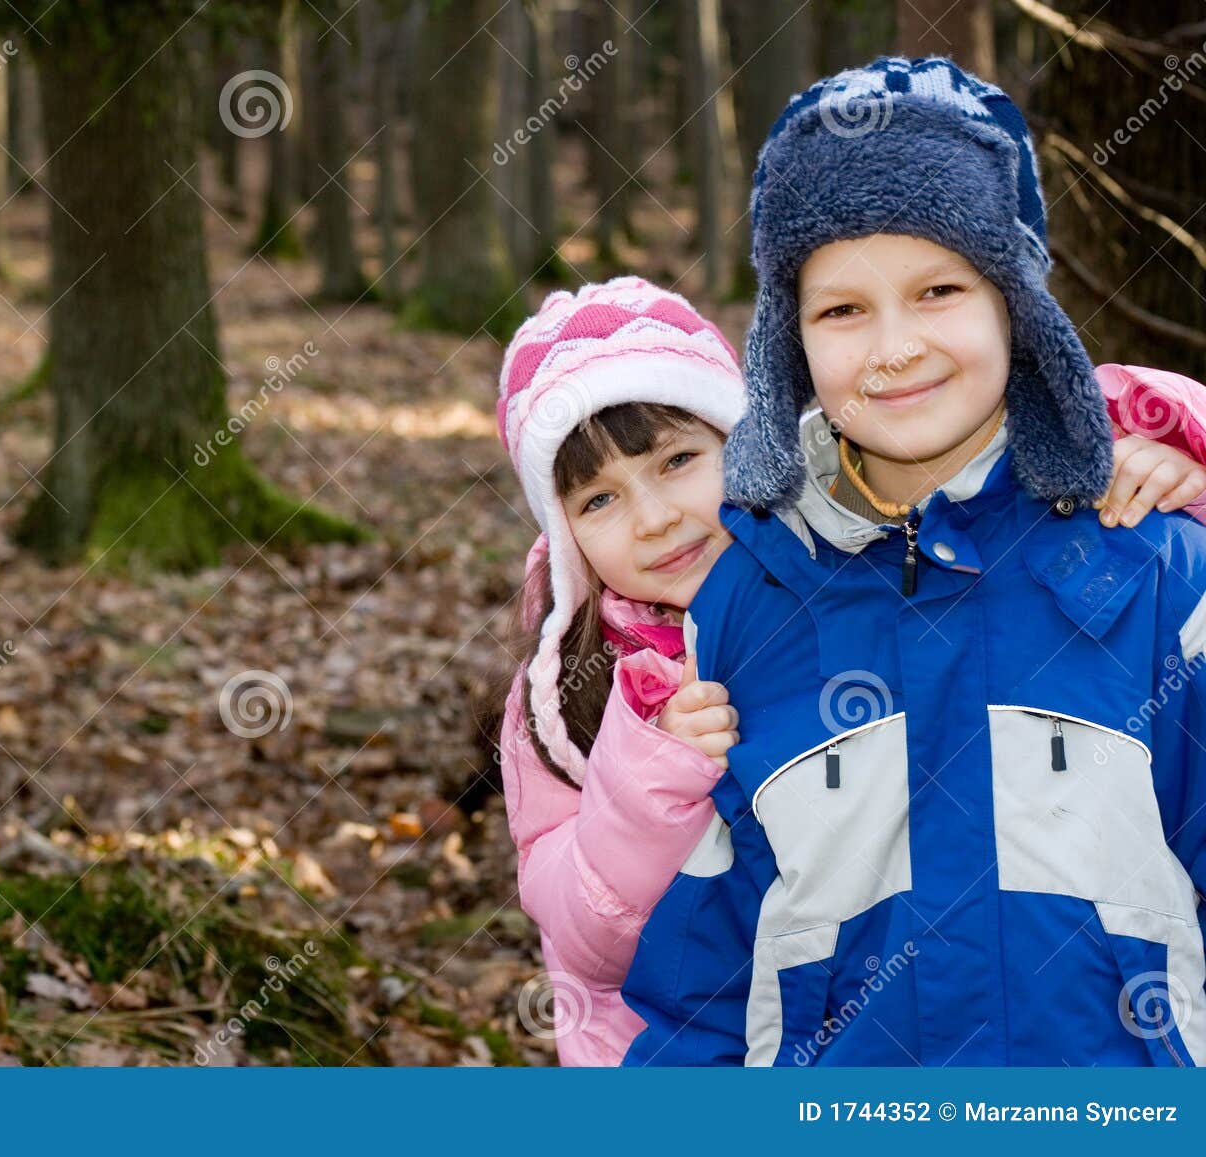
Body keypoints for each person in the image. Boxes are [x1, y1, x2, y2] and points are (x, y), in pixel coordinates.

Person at [620, 55, 1206, 1067]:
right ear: (789, 342)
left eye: (938, 289)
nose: (892, 347)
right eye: (841, 309)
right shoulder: (741, 603)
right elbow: (705, 982)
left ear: (1014, 306)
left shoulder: (1153, 568)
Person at [493, 263, 1206, 1063]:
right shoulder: (564, 698)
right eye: (598, 500)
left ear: (746, 444)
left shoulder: (846, 576)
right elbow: (592, 945)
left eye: (677, 462)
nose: (655, 519)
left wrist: (1176, 449)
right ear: (565, 542)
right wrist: (647, 776)